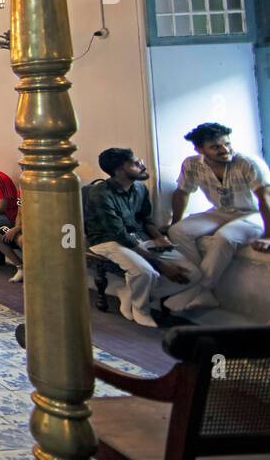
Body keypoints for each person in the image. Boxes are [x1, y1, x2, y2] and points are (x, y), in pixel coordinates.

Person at [86, 148, 204, 327]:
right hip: (107, 241)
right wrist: (161, 266)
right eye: (135, 163)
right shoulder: (100, 193)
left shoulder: (139, 189)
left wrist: (158, 237)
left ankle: (131, 294)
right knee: (145, 272)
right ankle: (141, 309)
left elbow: (145, 219)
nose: (142, 165)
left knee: (193, 274)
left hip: (137, 238)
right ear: (119, 170)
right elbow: (118, 234)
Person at [167, 122, 270, 310]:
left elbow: (266, 199)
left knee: (224, 237)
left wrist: (268, 236)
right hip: (221, 211)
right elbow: (182, 192)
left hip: (254, 214)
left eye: (227, 144)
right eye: (215, 147)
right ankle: (202, 289)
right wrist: (175, 221)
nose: (225, 150)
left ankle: (202, 288)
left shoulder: (248, 163)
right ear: (200, 149)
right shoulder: (192, 164)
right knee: (177, 231)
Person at [0, 198, 25, 282]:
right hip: (18, 228)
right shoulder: (21, 191)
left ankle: (31, 271)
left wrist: (18, 229)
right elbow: (19, 213)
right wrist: (16, 228)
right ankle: (20, 268)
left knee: (21, 240)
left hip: (33, 229)